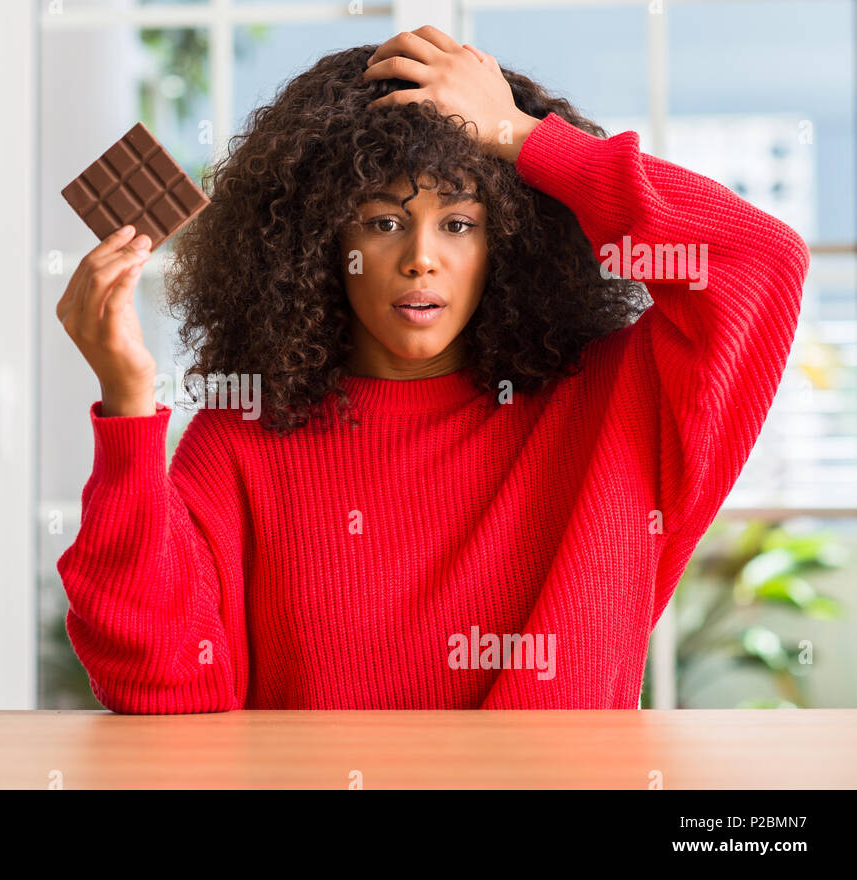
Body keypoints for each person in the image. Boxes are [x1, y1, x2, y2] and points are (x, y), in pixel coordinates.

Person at [53, 26, 810, 712]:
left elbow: (762, 262)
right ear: (322, 242)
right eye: (383, 222)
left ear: (507, 241)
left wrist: (522, 137)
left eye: (459, 223)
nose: (421, 258)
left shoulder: (613, 402)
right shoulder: (244, 435)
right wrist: (126, 404)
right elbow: (162, 681)